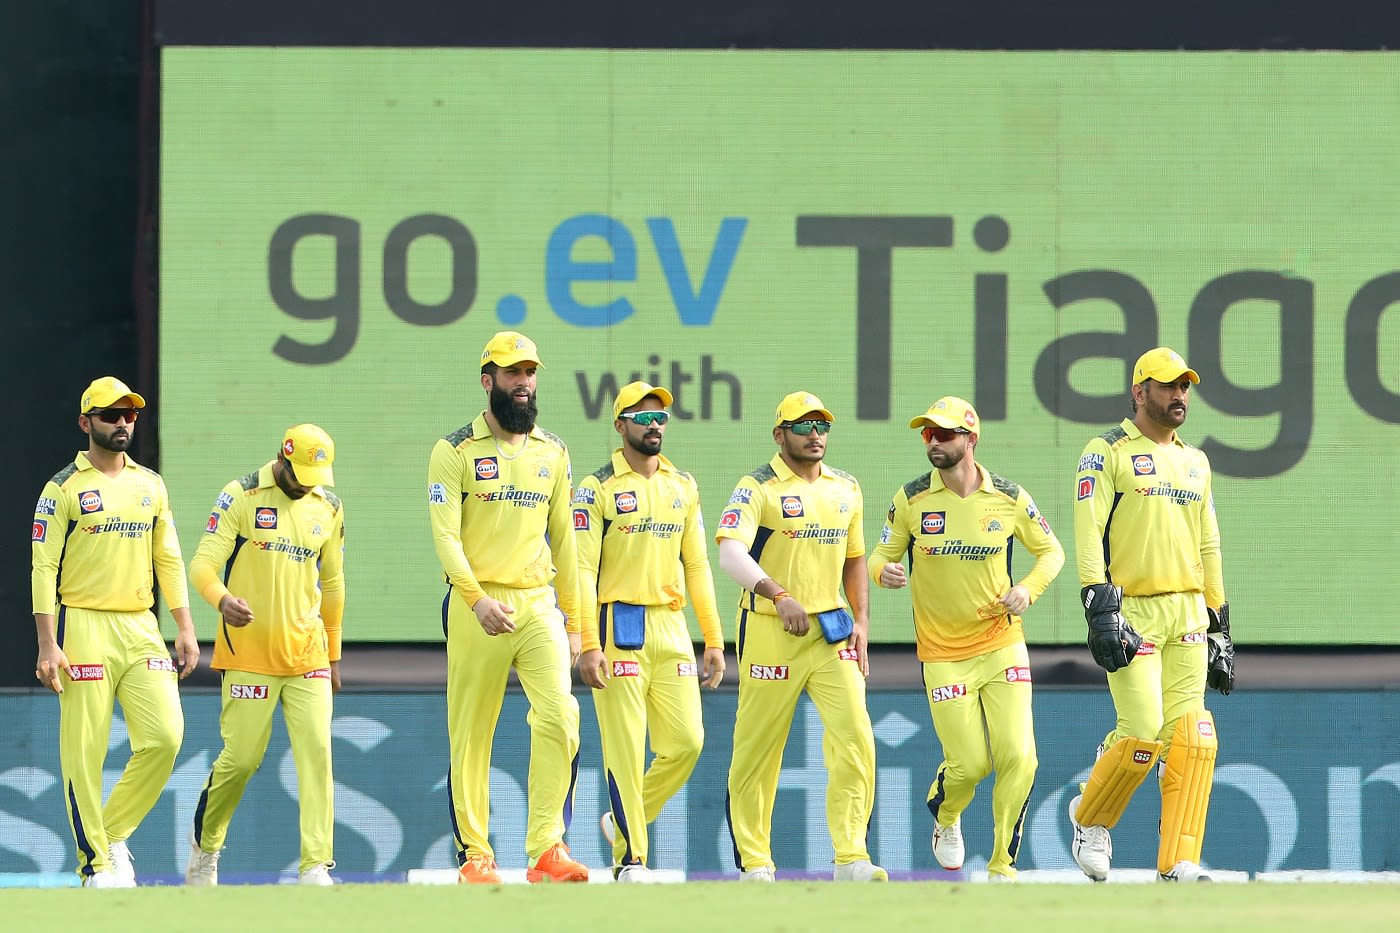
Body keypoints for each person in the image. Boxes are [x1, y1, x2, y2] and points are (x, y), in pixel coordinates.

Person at [868, 396, 1064, 883]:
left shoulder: (1010, 497)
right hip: (942, 655)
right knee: (971, 765)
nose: (934, 441)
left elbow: (1052, 553)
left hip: (1001, 642)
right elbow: (878, 556)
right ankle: (946, 814)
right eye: (928, 434)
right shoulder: (911, 499)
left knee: (1020, 756)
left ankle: (1002, 865)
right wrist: (884, 572)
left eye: (945, 433)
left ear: (971, 439)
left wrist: (1026, 590)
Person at [1067, 347, 1235, 883]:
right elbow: (1089, 530)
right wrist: (1098, 603)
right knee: (1140, 730)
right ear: (1139, 392)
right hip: (1132, 608)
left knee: (1192, 737)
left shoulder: (1195, 460)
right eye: (1167, 386)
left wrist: (1220, 622)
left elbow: (1208, 544)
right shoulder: (1106, 450)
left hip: (1187, 610)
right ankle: (1089, 820)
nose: (1178, 395)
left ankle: (1178, 863)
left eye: (1184, 386)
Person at [428, 331, 588, 884]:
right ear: (487, 380)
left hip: (538, 602)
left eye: (530, 373)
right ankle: (476, 854)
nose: (524, 383)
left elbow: (567, 542)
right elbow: (446, 538)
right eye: (512, 373)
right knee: (472, 732)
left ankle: (546, 847)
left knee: (562, 715)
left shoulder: (553, 451)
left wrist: (577, 624)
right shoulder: (454, 451)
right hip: (478, 603)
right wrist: (474, 601)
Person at [30, 376, 199, 887]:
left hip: (140, 625)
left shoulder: (150, 484)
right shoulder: (63, 488)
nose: (123, 422)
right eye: (110, 414)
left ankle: (111, 834)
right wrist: (47, 642)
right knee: (85, 749)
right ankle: (96, 865)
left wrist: (185, 627)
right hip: (83, 624)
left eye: (130, 414)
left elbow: (167, 556)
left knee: (166, 738)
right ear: (86, 423)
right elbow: (42, 567)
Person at [716, 391, 885, 882]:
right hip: (771, 629)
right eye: (803, 426)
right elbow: (730, 552)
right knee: (758, 748)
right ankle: (755, 861)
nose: (815, 435)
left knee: (855, 736)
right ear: (779, 434)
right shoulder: (758, 487)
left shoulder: (846, 487)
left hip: (831, 633)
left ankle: (852, 856)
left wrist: (862, 622)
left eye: (822, 426)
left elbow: (855, 558)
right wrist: (777, 594)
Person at [574, 382, 726, 883]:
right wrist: (587, 644)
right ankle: (630, 859)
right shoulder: (596, 488)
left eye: (660, 416)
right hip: (617, 623)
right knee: (624, 747)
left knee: (686, 741)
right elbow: (579, 569)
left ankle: (620, 821)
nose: (654, 424)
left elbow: (698, 564)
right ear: (620, 426)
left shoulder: (682, 485)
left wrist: (713, 638)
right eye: (642, 417)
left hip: (670, 623)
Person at [184, 424, 347, 886]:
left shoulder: (328, 506)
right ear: (282, 457)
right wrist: (221, 600)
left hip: (308, 654)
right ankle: (206, 850)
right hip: (248, 655)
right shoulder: (241, 495)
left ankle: (316, 866)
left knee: (317, 753)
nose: (307, 484)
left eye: (317, 476)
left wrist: (333, 653)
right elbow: (202, 564)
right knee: (241, 761)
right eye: (301, 474)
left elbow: (332, 583)